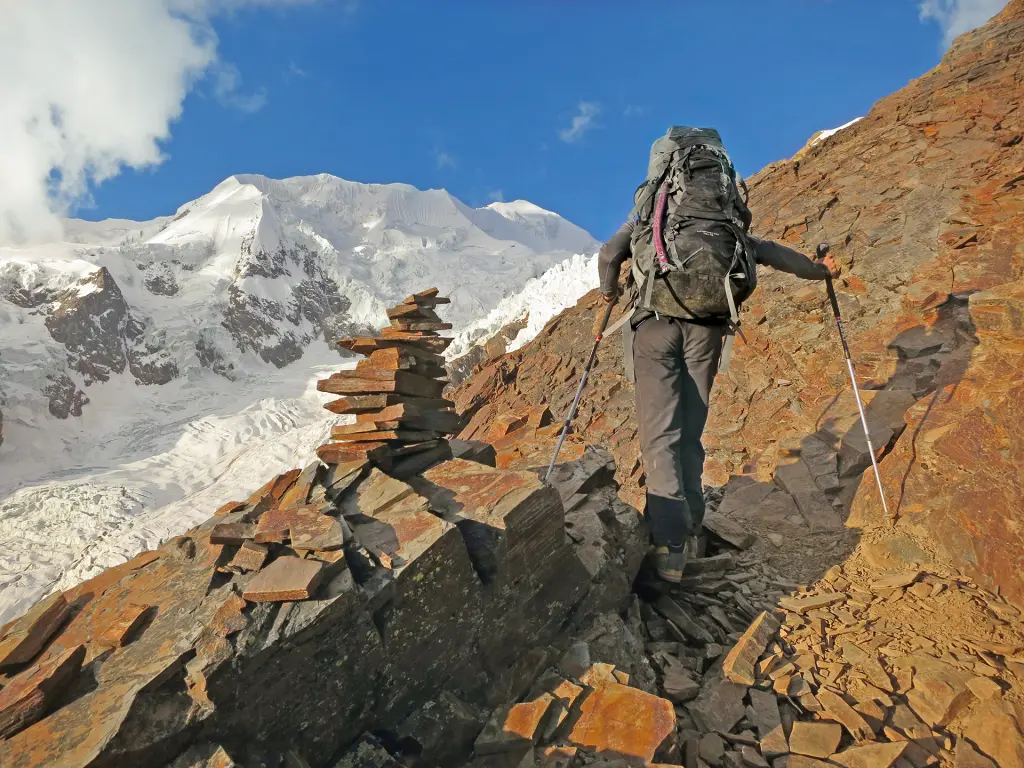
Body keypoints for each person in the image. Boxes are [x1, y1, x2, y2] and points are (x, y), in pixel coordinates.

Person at [597, 214, 839, 583]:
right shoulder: (721, 220)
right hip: (706, 331)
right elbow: (770, 252)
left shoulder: (649, 218)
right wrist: (818, 270)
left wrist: (609, 291)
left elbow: (610, 254)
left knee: (660, 435)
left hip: (655, 326)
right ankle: (692, 529)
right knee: (690, 430)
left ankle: (669, 546)